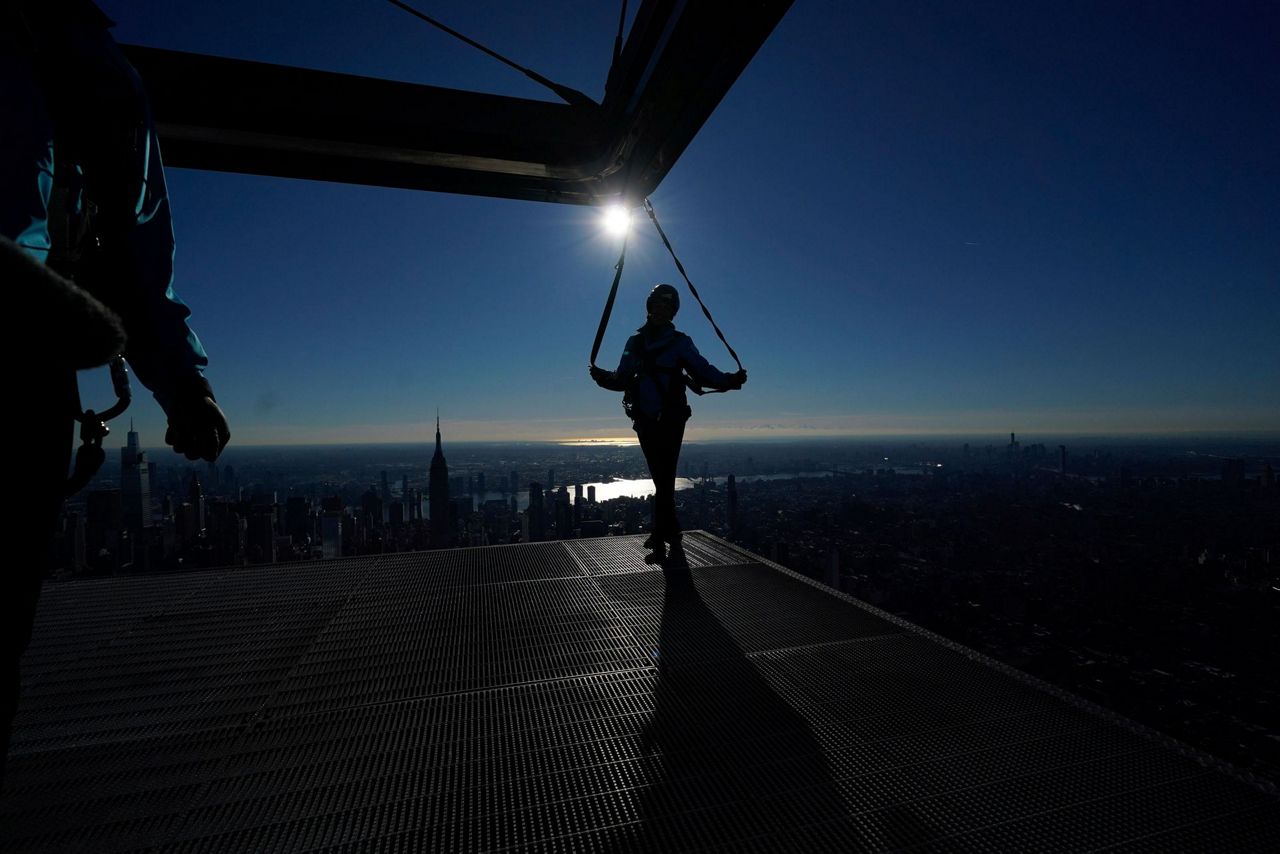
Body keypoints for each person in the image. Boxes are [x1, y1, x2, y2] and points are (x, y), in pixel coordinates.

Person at [1, 0, 230, 784]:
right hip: (20, 352)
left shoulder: (80, 66)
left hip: (21, 352)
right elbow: (132, 249)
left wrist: (182, 387)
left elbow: (129, 246)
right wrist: (181, 388)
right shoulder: (81, 64)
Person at [590, 283, 746, 565]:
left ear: (672, 312)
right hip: (645, 419)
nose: (661, 311)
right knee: (661, 477)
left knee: (664, 476)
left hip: (670, 418)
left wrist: (728, 380)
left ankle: (662, 536)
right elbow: (623, 376)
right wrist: (603, 378)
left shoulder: (679, 342)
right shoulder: (635, 342)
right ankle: (669, 532)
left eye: (667, 307)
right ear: (649, 308)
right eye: (657, 306)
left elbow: (702, 370)